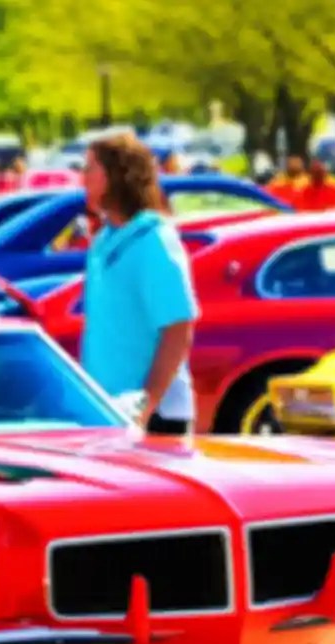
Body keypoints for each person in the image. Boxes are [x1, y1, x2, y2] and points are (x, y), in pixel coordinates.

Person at [80, 133, 199, 435]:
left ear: (117, 176)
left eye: (90, 168)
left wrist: (145, 405)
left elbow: (177, 327)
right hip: (108, 411)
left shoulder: (155, 241)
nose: (82, 178)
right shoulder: (102, 243)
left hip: (154, 416)